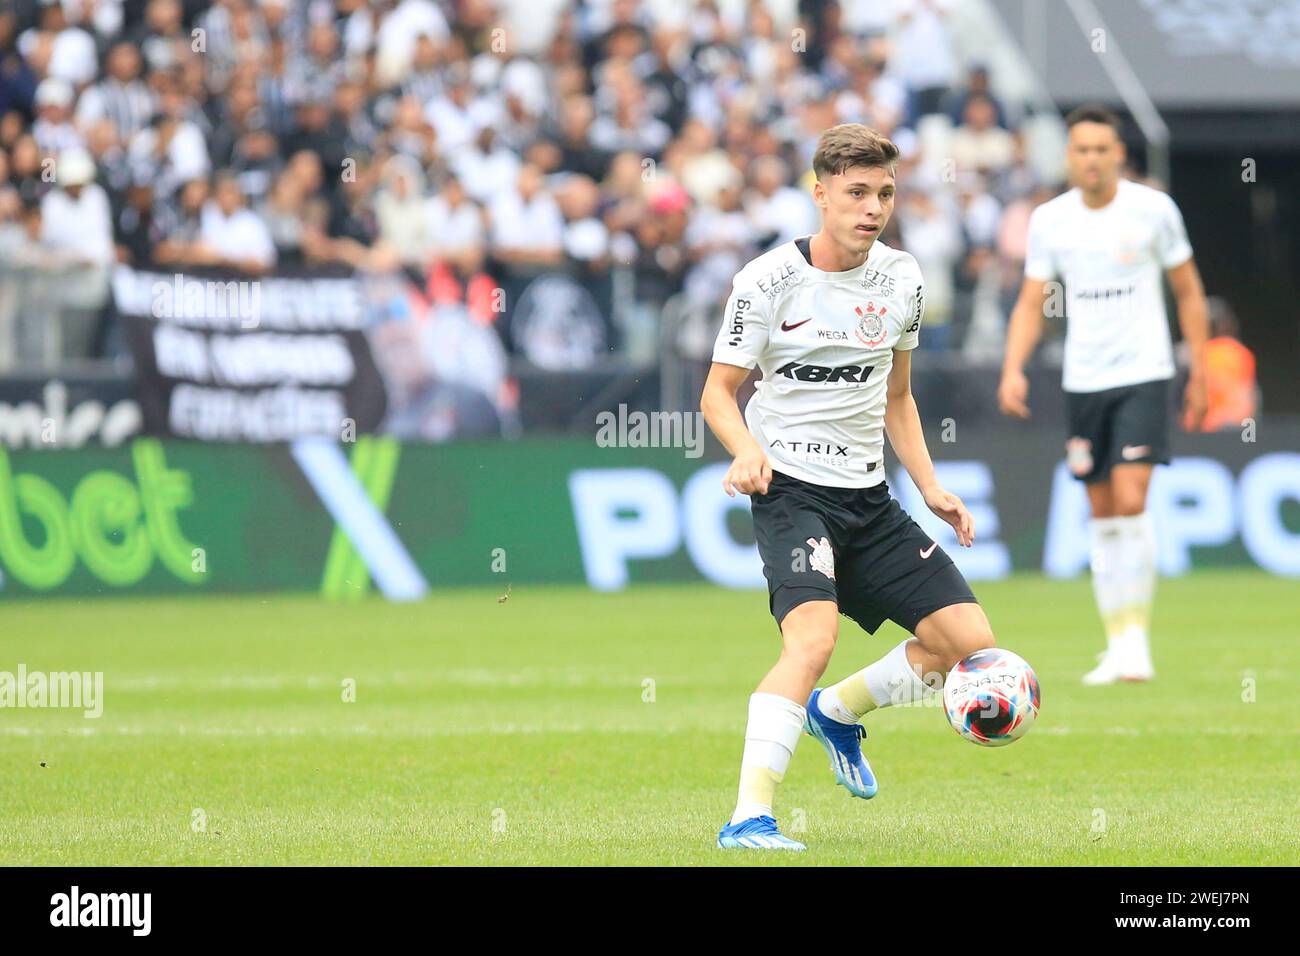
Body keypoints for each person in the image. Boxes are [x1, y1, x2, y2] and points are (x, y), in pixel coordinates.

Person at [700, 124, 994, 851]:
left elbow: (897, 397)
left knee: (969, 643)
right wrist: (744, 451)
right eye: (857, 193)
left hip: (870, 499)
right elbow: (717, 393)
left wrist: (930, 486)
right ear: (821, 193)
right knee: (811, 640)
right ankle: (748, 816)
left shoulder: (903, 279)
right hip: (792, 492)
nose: (872, 208)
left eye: (885, 194)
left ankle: (837, 712)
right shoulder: (766, 282)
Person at [997, 105, 1209, 685]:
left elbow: (1189, 292)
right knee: (1101, 513)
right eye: (1081, 149)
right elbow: (1030, 301)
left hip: (1144, 371)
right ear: (1069, 157)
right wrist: (1013, 367)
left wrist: (1201, 367)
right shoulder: (1051, 220)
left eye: (1101, 149)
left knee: (1132, 496)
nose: (1091, 159)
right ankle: (1116, 641)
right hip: (1083, 380)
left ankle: (1137, 642)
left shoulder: (1153, 210)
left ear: (1119, 155)